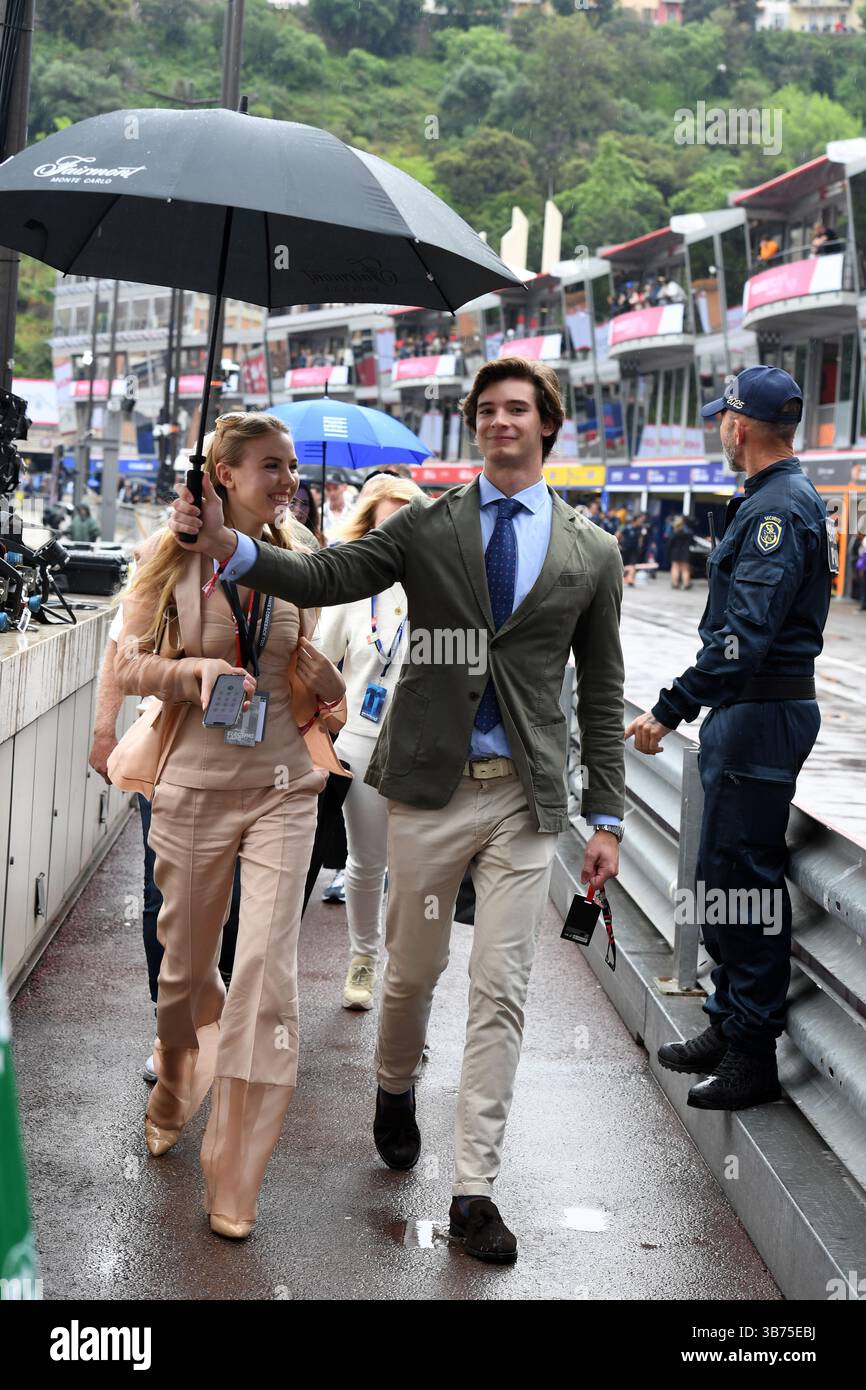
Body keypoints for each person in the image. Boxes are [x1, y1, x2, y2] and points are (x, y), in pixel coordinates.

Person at [167, 356, 626, 1264]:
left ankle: (474, 1189)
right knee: (411, 977)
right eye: (486, 410)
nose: (501, 421)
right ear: (475, 426)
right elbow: (330, 574)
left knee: (502, 990)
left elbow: (604, 692)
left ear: (548, 426)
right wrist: (228, 546)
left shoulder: (592, 551)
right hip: (426, 788)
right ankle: (392, 1081)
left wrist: (605, 816)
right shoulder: (426, 528)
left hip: (524, 802)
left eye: (517, 410)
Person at [115, 412, 347, 1240]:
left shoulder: (301, 554)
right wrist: (194, 672)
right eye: (270, 467)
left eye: (291, 468)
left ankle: (236, 1175)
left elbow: (316, 672)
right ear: (222, 471)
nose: (287, 480)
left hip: (286, 785)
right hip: (192, 788)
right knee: (184, 974)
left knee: (265, 975)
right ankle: (177, 1070)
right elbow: (126, 661)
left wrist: (325, 683)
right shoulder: (170, 550)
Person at [625, 366, 833, 1111]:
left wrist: (671, 706)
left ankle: (752, 1053)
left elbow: (744, 638)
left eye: (723, 418)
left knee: (742, 883)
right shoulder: (770, 501)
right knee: (719, 879)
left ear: (739, 428)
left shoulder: (778, 510)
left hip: (759, 712)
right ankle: (726, 1020)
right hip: (748, 714)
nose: (719, 427)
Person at [316, 474, 425, 1010]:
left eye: (409, 522)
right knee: (365, 863)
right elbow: (316, 659)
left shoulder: (444, 583)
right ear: (370, 529)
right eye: (389, 524)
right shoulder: (353, 586)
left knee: (418, 870)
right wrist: (327, 706)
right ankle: (363, 960)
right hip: (360, 740)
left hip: (426, 747)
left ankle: (408, 980)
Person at [667, 515, 694, 590]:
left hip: (675, 552)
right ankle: (686, 584)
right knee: (685, 569)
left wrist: (668, 552)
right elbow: (692, 542)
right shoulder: (688, 533)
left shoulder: (674, 534)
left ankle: (675, 584)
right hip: (685, 552)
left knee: (675, 568)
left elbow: (670, 544)